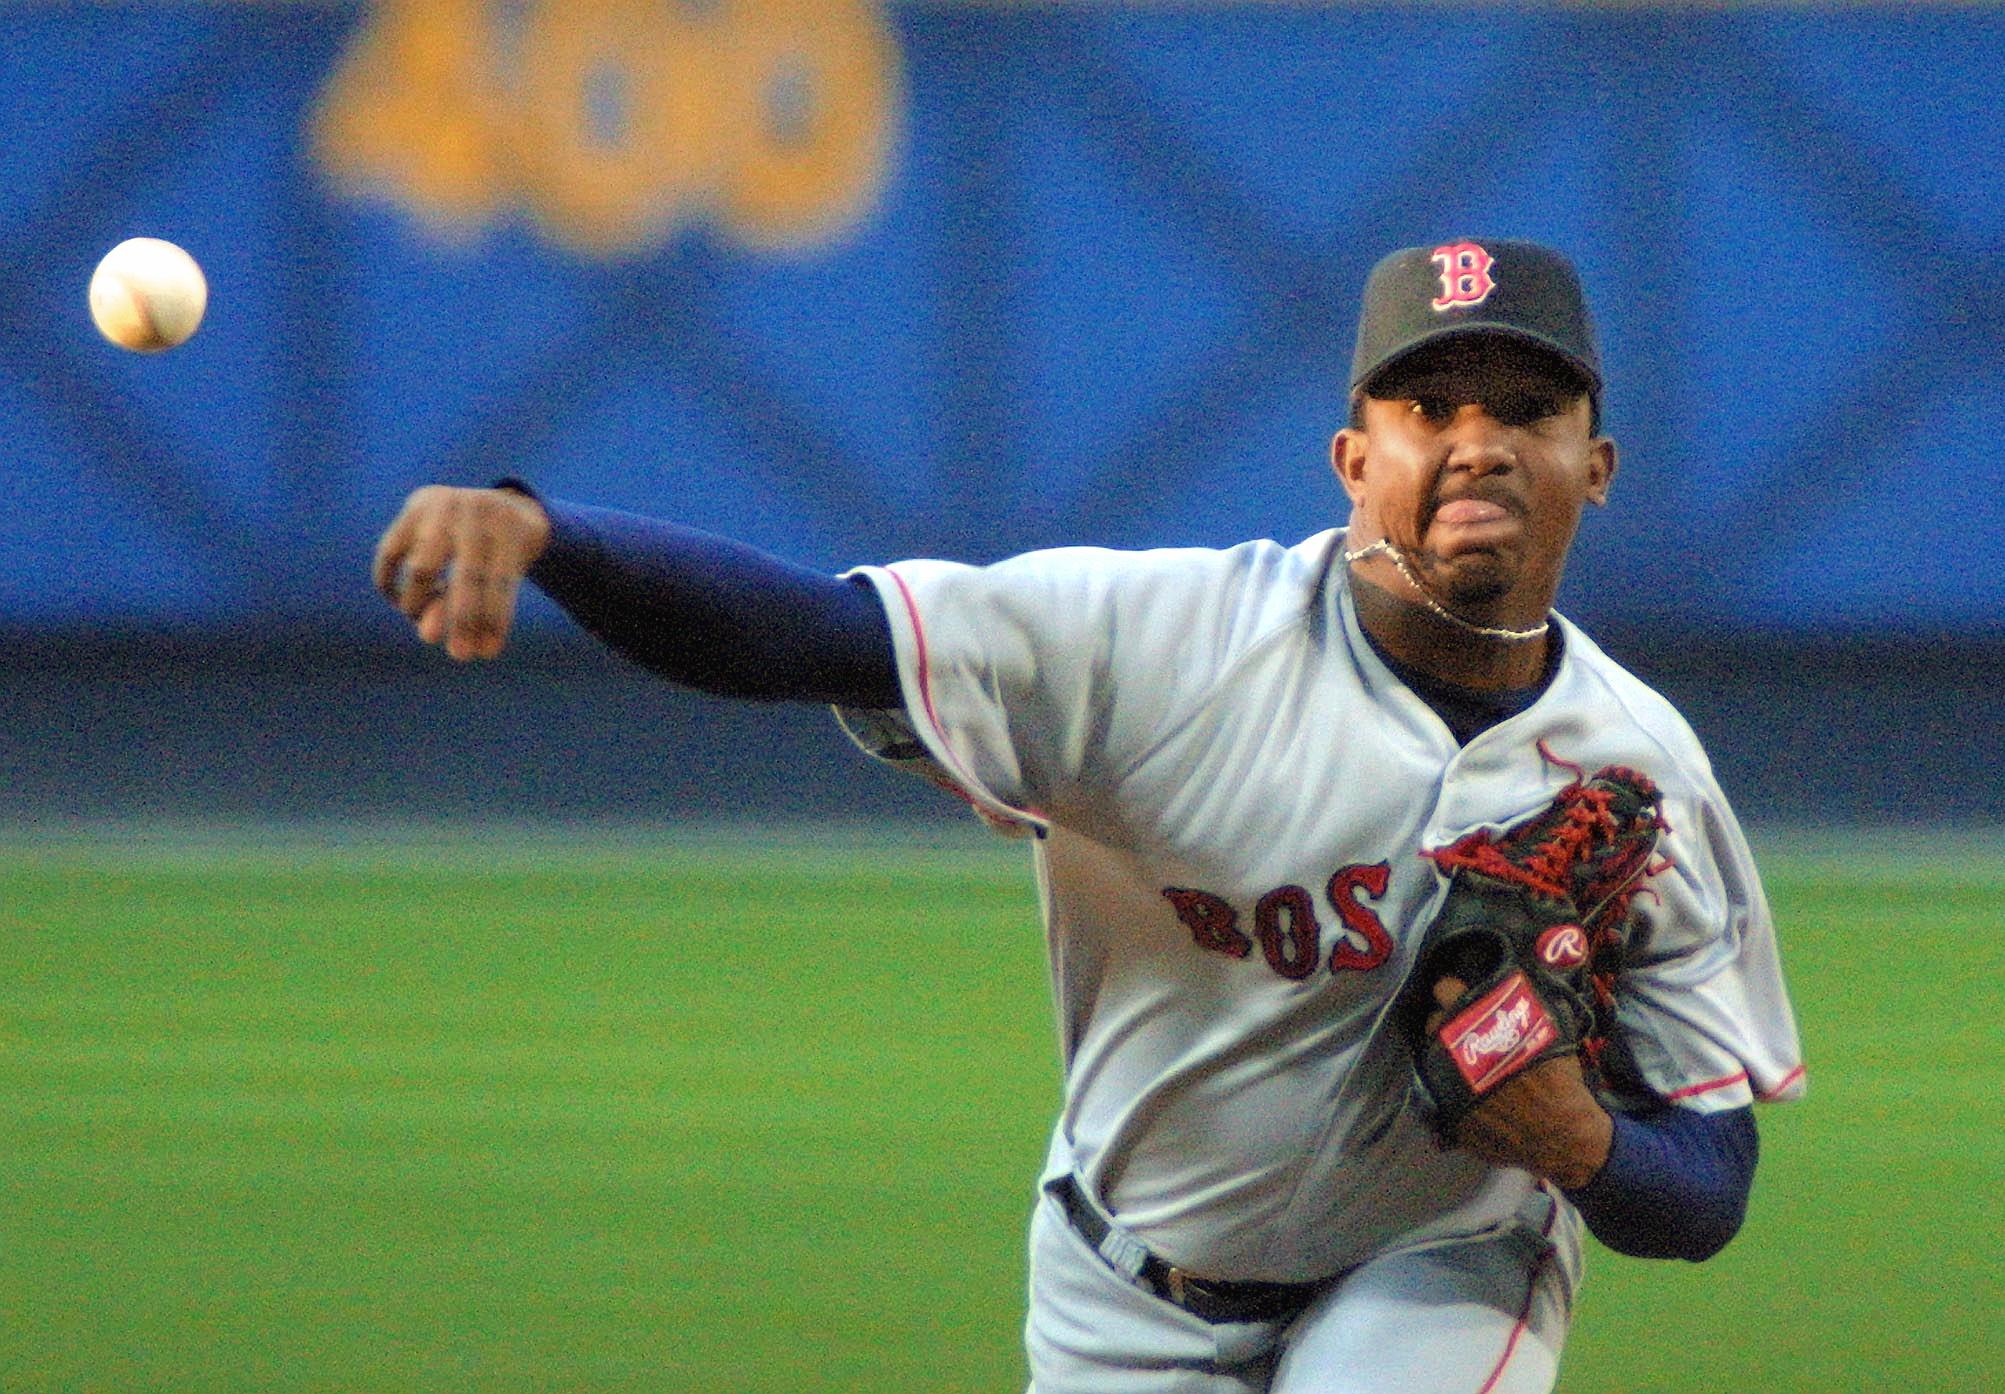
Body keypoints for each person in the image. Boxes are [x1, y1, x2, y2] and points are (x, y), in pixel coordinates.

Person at [372, 238, 1804, 1394]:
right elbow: (808, 636)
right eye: (1427, 407)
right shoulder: (1162, 644)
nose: (1476, 443)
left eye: (1525, 410)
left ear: (1594, 466)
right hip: (1122, 1279)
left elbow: (1708, 1184)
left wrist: (1577, 1142)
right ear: (1350, 459)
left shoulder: (1642, 774)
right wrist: (549, 531)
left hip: (1437, 1263)